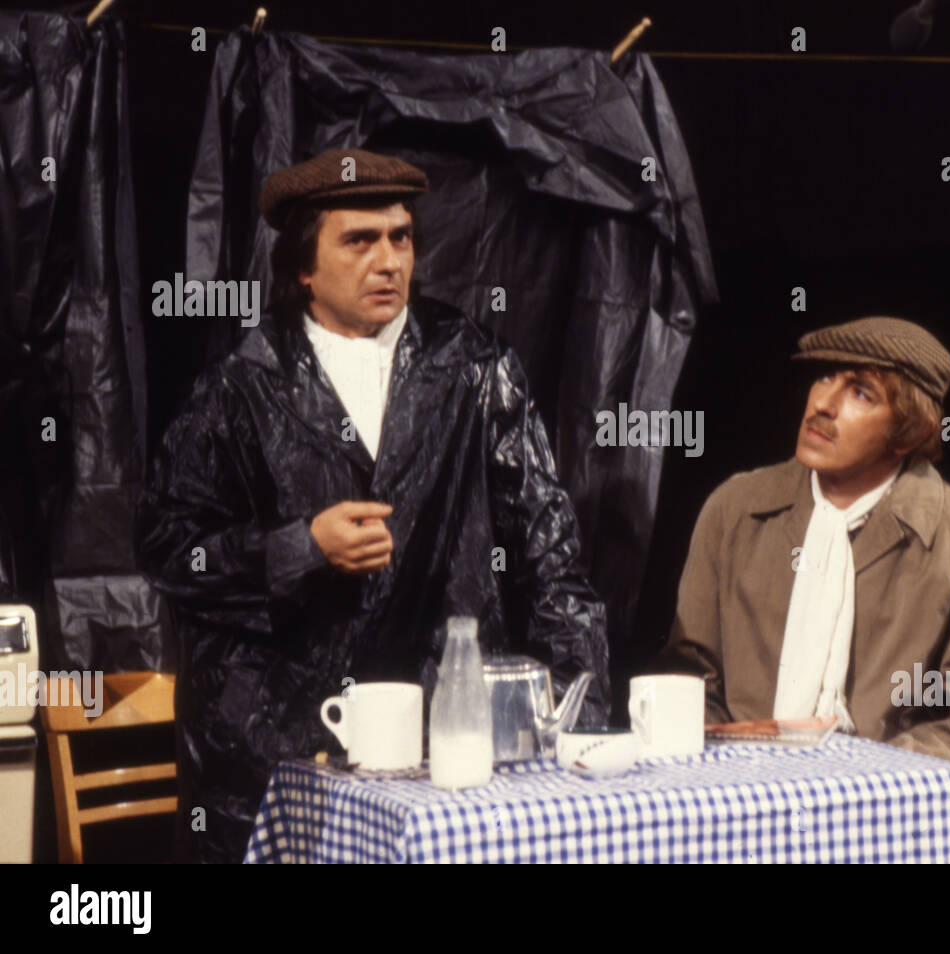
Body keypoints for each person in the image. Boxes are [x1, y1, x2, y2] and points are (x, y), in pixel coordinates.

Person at [138, 148, 610, 863]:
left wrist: (581, 724)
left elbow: (552, 561)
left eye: (401, 237)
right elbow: (169, 550)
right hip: (279, 752)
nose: (388, 261)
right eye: (359, 241)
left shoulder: (476, 370)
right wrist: (300, 548)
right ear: (304, 266)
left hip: (440, 747)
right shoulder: (239, 388)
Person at [656, 316, 950, 839]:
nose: (823, 404)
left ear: (909, 431)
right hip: (747, 810)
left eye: (860, 392)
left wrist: (861, 784)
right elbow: (690, 676)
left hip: (901, 826)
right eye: (824, 378)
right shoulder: (734, 510)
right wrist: (739, 780)